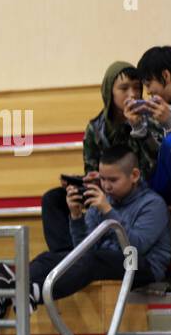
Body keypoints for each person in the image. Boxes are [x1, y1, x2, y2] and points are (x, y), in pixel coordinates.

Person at [27, 145, 171, 309]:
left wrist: (108, 211)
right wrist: (76, 217)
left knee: (93, 260)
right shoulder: (101, 201)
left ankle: (38, 291)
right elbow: (83, 249)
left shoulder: (153, 204)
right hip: (106, 260)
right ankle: (14, 287)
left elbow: (135, 248)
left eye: (113, 180)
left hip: (144, 266)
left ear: (134, 175)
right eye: (103, 179)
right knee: (47, 258)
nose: (107, 186)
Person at [41, 62, 160, 255]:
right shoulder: (95, 128)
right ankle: (65, 255)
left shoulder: (150, 120)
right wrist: (85, 181)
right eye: (124, 88)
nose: (132, 94)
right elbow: (92, 169)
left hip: (139, 190)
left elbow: (153, 164)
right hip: (107, 187)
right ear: (109, 92)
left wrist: (137, 127)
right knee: (53, 199)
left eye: (137, 88)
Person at [136, 45, 171, 204]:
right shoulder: (157, 109)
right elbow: (157, 161)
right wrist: (140, 130)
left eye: (148, 84)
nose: (147, 92)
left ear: (166, 75)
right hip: (166, 186)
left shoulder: (164, 111)